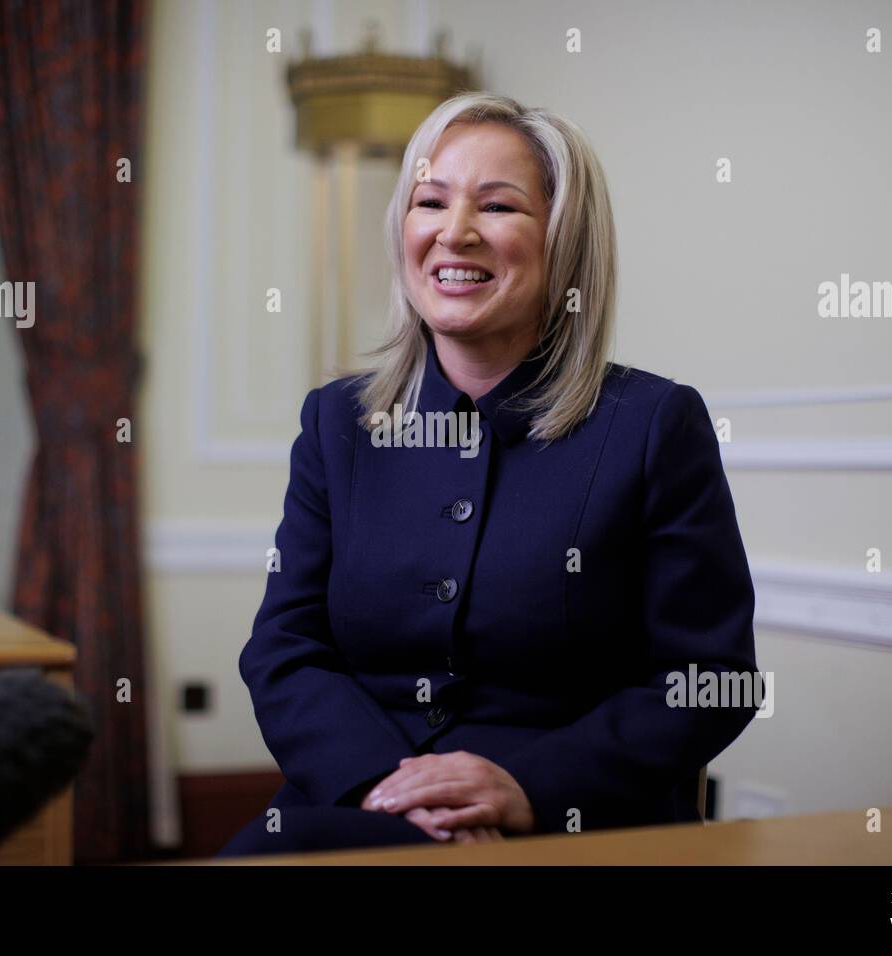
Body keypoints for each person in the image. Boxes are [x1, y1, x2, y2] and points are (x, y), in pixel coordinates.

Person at [216, 91, 759, 858]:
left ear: (565, 242)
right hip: (356, 802)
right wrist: (390, 787)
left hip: (577, 819)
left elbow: (710, 678)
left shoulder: (654, 423)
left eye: (498, 207)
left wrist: (525, 786)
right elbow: (285, 646)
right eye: (429, 201)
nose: (454, 233)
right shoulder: (336, 424)